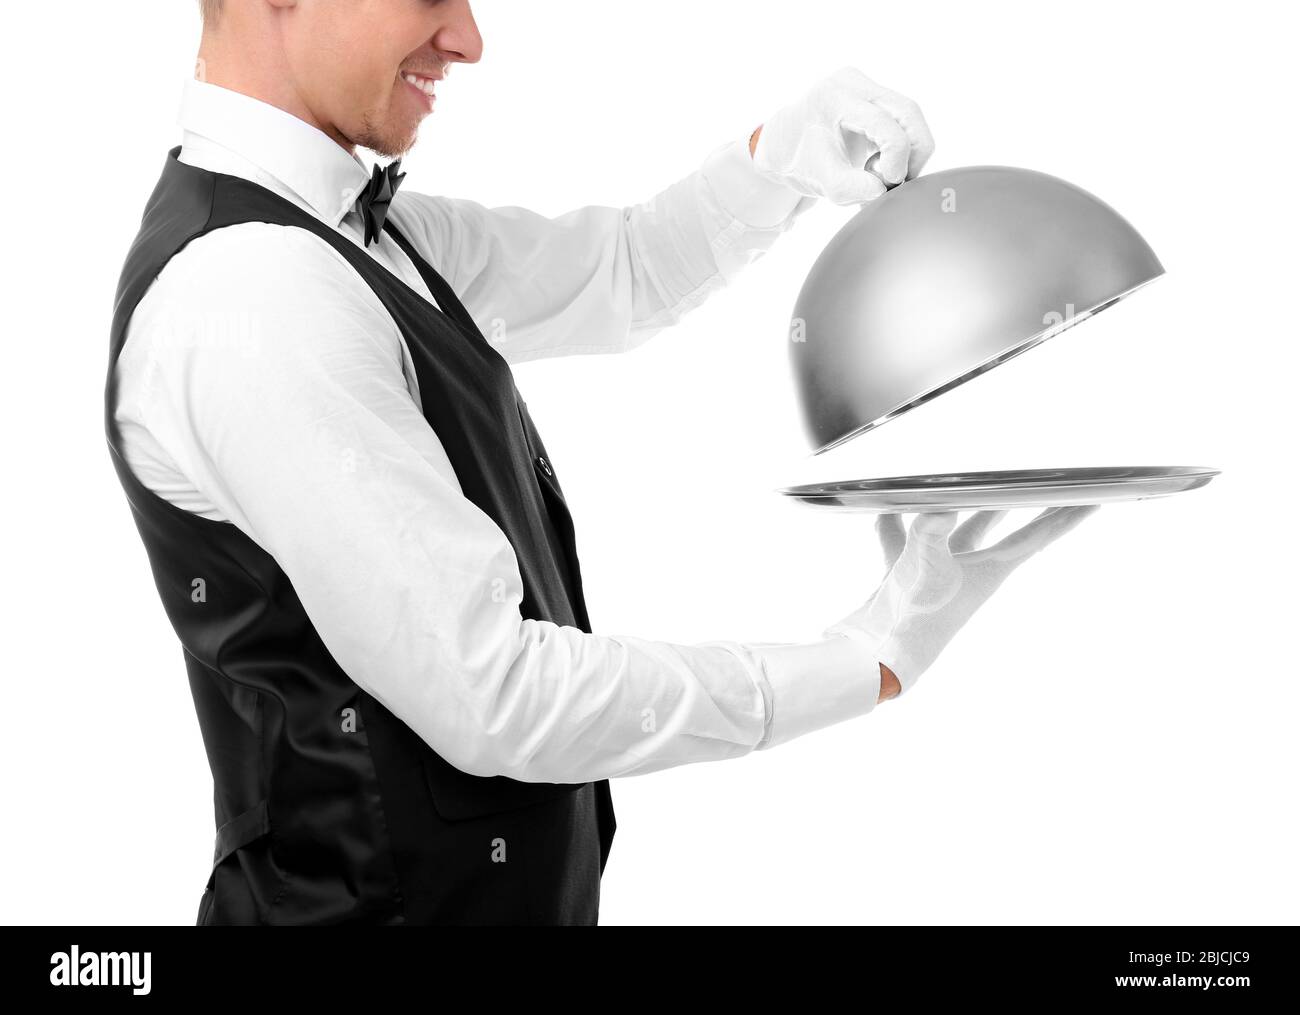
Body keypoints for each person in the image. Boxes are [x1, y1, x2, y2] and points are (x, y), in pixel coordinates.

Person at [104, 0, 1098, 925]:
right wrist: (864, 659)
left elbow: (618, 274)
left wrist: (782, 159)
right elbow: (498, 695)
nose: (468, 37)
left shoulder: (343, 228)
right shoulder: (253, 289)